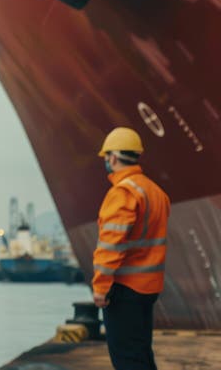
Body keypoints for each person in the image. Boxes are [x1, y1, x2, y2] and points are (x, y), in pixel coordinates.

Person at [92, 127, 170, 370]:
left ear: (113, 158)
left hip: (125, 290)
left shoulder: (122, 193)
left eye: (106, 157)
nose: (106, 161)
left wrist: (100, 288)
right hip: (148, 289)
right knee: (141, 355)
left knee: (127, 359)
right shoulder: (156, 192)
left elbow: (111, 245)